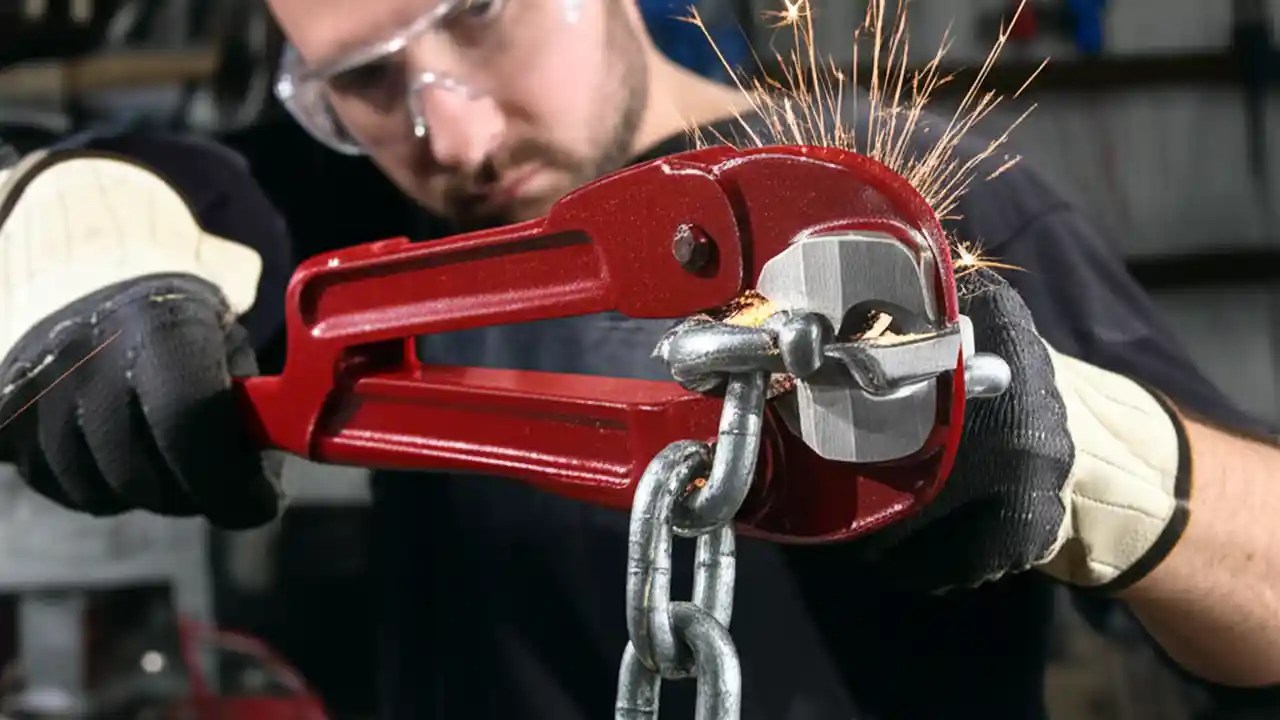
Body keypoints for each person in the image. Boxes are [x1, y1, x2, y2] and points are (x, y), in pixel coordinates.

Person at [1, 0, 1278, 716]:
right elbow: (151, 174)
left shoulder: (906, 207)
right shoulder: (389, 223)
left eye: (480, 18)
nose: (451, 129)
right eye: (364, 84)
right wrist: (85, 240)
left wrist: (1106, 468)